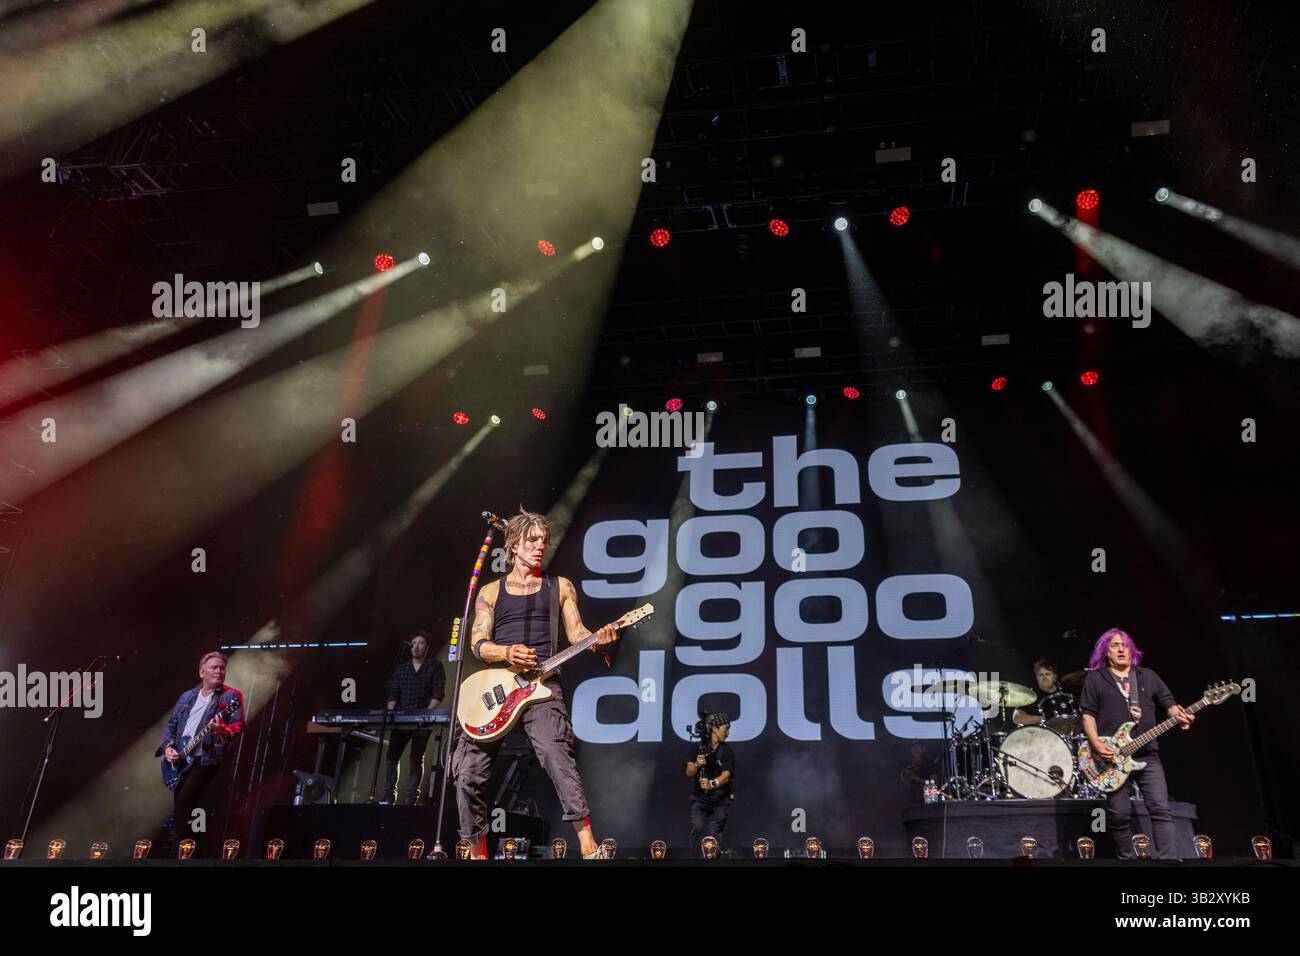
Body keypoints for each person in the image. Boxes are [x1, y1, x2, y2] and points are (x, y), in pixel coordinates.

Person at [451, 509, 620, 859]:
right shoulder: (491, 592)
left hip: (544, 687)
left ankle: (589, 848)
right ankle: (476, 851)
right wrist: (507, 651)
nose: (541, 546)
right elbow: (477, 643)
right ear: (513, 544)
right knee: (467, 771)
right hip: (496, 686)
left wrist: (601, 640)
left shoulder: (561, 587)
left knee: (557, 756)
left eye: (545, 540)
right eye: (533, 540)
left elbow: (578, 634)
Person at [1079, 628, 1193, 859]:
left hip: (1147, 754)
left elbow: (1168, 702)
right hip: (1110, 756)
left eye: (1125, 645)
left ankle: (1167, 862)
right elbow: (1088, 715)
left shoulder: (1147, 676)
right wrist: (1096, 744)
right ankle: (1126, 859)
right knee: (1119, 813)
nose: (1121, 649)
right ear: (1105, 652)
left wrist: (1178, 714)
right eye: (1114, 645)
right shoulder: (1096, 678)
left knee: (1160, 809)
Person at [157, 652, 245, 854]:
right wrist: (167, 748)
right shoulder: (187, 696)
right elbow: (171, 725)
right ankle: (186, 850)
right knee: (181, 804)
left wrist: (222, 729)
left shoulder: (231, 696)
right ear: (202, 672)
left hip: (206, 758)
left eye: (222, 668)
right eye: (214, 667)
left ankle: (175, 851)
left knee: (185, 800)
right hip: (180, 757)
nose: (219, 671)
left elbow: (238, 726)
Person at [383, 630, 445, 805]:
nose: (417, 646)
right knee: (391, 756)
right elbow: (392, 693)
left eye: (421, 643)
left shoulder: (434, 665)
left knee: (416, 758)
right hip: (402, 718)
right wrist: (391, 709)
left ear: (427, 646)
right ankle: (389, 796)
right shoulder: (401, 668)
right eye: (414, 643)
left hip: (422, 720)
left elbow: (438, 692)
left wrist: (426, 712)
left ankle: (411, 797)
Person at [686, 713, 735, 850]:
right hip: (700, 798)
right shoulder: (697, 748)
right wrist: (696, 764)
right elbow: (689, 771)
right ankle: (693, 858)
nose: (728, 732)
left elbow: (726, 775)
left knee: (715, 833)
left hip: (720, 799)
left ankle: (714, 859)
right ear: (715, 729)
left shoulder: (727, 751)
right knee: (698, 827)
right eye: (726, 728)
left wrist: (712, 783)